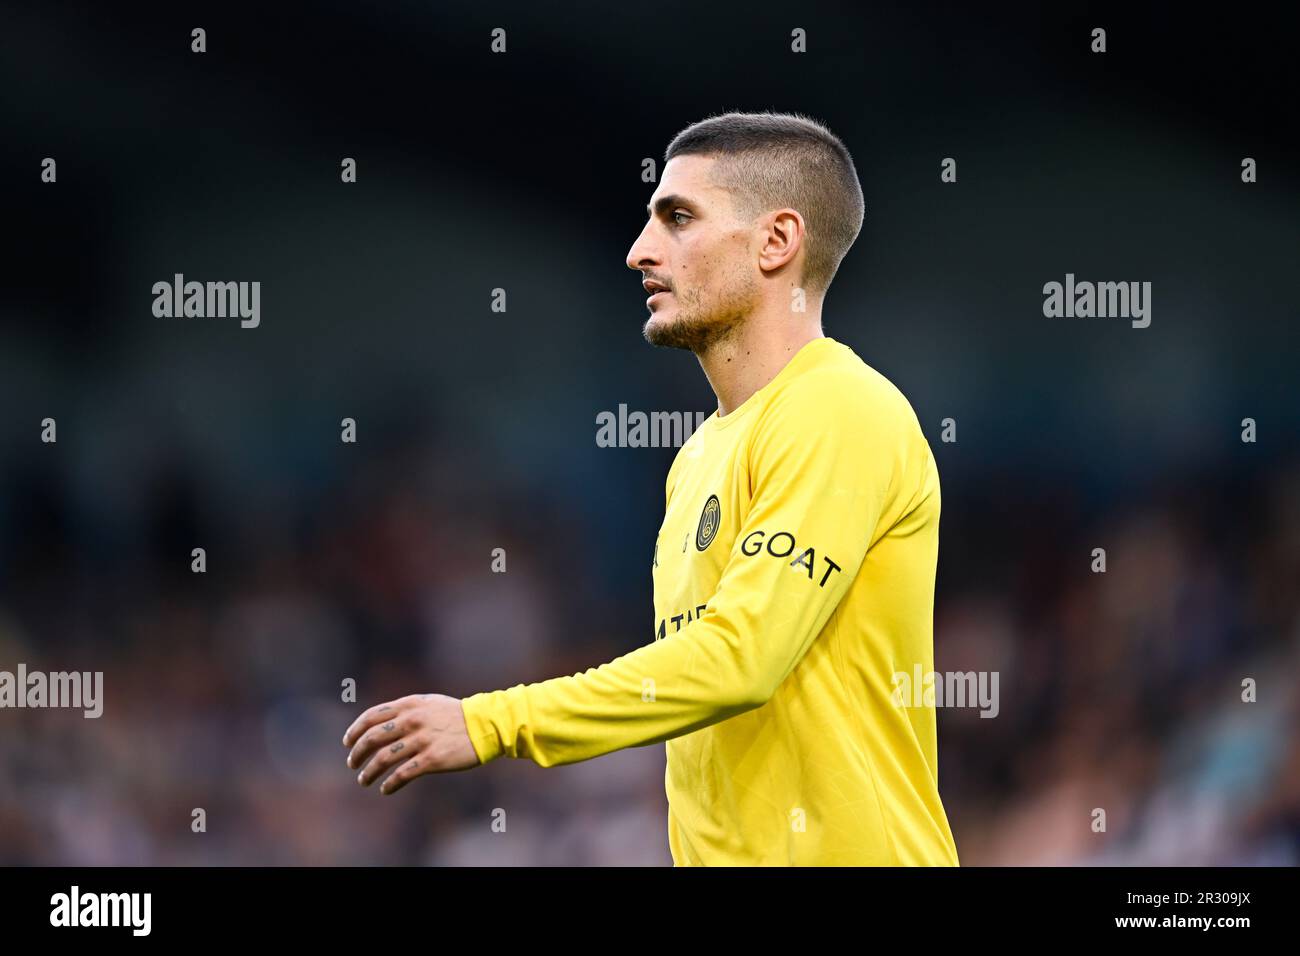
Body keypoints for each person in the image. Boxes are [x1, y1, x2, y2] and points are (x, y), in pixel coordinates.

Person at [343, 111, 959, 866]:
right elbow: (697, 680)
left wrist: (495, 721)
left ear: (777, 241)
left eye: (678, 219)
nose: (639, 252)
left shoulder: (840, 409)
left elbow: (741, 661)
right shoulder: (698, 456)